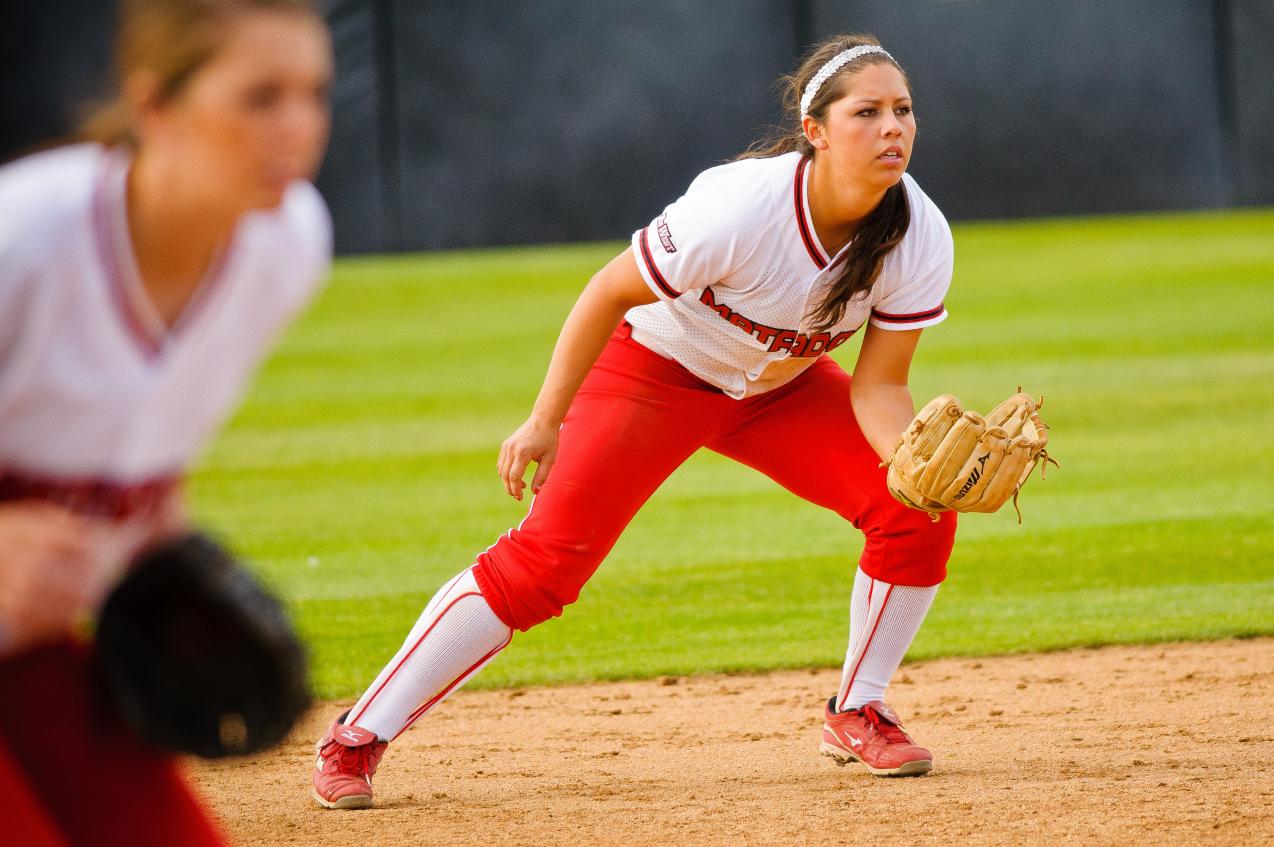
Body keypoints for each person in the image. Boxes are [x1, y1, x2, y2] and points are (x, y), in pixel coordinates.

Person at [313, 32, 955, 809]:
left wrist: (910, 466)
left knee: (917, 509)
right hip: (657, 374)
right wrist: (545, 419)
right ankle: (358, 733)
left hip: (777, 391)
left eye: (904, 110)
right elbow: (607, 291)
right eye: (868, 111)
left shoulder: (918, 231)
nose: (893, 127)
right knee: (545, 565)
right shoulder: (740, 207)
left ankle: (860, 708)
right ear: (814, 130)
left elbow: (880, 386)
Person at [0, 0, 333, 842]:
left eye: (314, 94)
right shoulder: (28, 238)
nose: (297, 127)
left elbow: (130, 462)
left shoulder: (285, 246)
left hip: (23, 655)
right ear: (155, 106)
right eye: (261, 97)